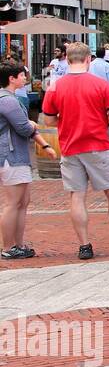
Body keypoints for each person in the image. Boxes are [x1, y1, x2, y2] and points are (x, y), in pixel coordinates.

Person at [40, 43, 109, 260]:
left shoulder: (55, 87)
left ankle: (84, 245)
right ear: (88, 60)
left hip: (70, 146)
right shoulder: (101, 85)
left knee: (77, 196)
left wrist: (67, 121)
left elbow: (48, 119)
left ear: (67, 60)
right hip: (98, 144)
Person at [0, 61, 55, 259]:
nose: (25, 78)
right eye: (22, 75)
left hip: (18, 155)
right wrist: (32, 126)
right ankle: (8, 247)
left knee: (22, 202)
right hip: (11, 155)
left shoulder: (11, 99)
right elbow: (23, 127)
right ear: (11, 78)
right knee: (13, 203)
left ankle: (18, 243)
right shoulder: (7, 100)